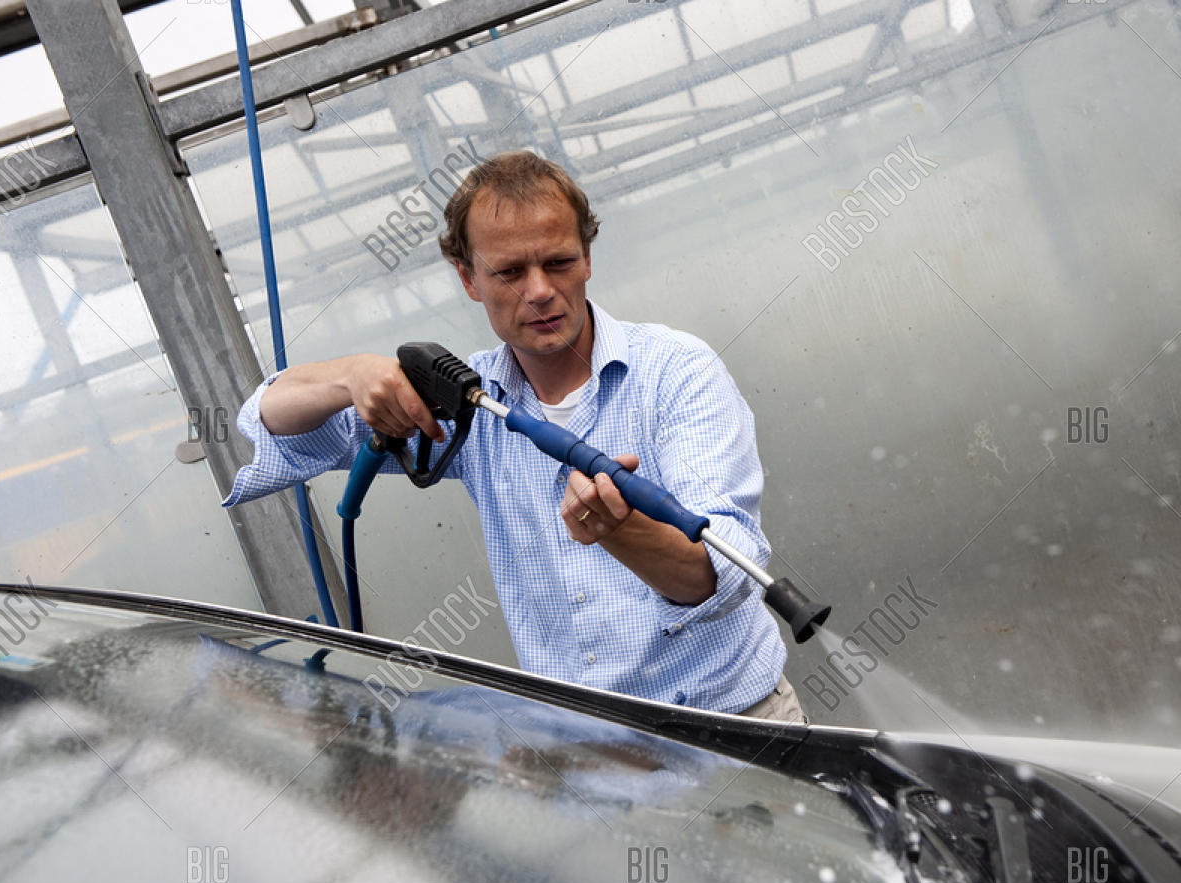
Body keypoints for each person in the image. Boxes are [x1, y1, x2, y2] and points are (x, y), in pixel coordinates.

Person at [223, 150, 806, 723]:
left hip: (737, 727)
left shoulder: (676, 372)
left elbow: (726, 575)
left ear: (587, 258)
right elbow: (268, 425)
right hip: (586, 752)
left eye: (558, 262)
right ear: (468, 278)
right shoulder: (465, 401)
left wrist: (621, 531)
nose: (540, 290)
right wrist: (349, 376)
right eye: (509, 272)